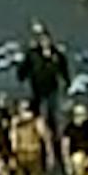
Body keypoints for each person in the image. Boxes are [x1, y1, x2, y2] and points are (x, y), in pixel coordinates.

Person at [18, 23, 70, 162]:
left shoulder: (56, 55)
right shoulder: (33, 54)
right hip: (36, 91)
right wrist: (22, 75)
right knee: (37, 119)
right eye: (43, 40)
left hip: (52, 90)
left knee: (52, 118)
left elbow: (63, 70)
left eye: (47, 40)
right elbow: (23, 69)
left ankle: (55, 148)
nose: (45, 43)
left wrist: (66, 82)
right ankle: (41, 148)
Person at [7, 100, 50, 175]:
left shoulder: (16, 121)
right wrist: (49, 154)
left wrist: (13, 155)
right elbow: (45, 138)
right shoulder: (37, 121)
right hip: (34, 154)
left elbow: (13, 140)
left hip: (21, 154)